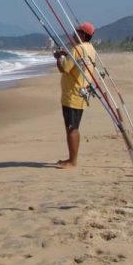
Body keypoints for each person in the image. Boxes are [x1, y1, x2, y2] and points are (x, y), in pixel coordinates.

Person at [53, 22, 97, 169]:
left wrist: (59, 57)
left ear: (83, 34)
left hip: (73, 94)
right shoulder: (90, 48)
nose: (73, 33)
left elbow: (64, 68)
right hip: (82, 93)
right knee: (73, 127)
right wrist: (66, 55)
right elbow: (79, 63)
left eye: (77, 31)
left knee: (72, 128)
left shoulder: (77, 49)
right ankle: (71, 158)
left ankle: (72, 161)